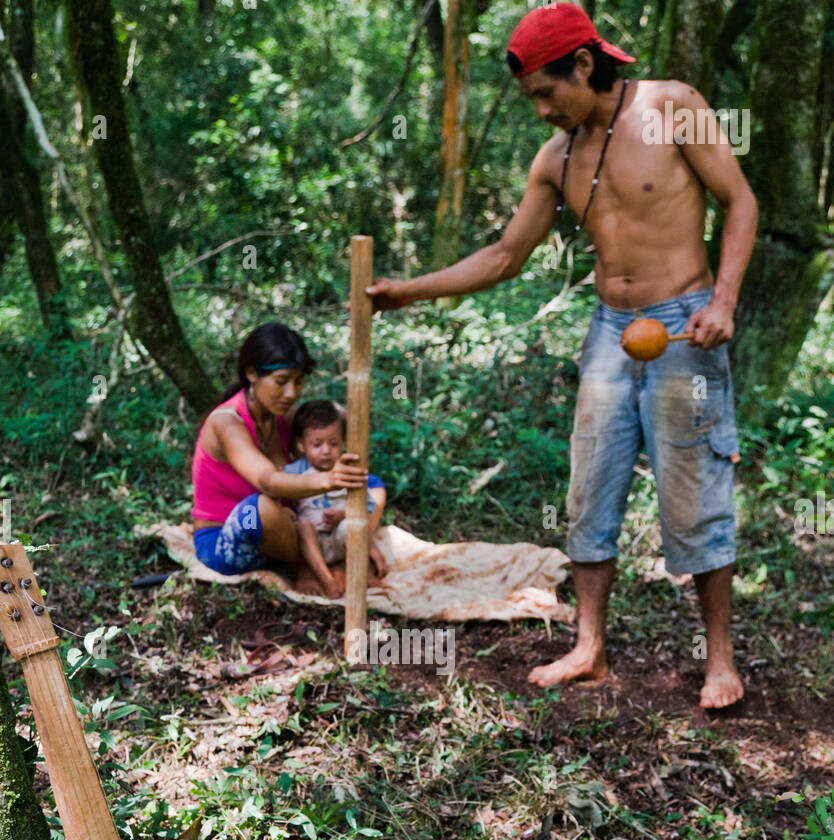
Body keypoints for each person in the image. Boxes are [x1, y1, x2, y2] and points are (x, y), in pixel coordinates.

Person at [366, 3, 758, 709]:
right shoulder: (556, 159)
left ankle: (720, 661)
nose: (542, 111)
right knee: (589, 490)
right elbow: (505, 254)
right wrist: (409, 291)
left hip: (682, 324)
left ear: (583, 63)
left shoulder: (676, 106)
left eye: (547, 93)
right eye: (532, 100)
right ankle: (589, 646)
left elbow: (740, 200)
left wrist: (723, 299)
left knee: (695, 492)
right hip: (611, 331)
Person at [191, 322, 368, 577]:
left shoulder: (282, 416)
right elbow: (269, 482)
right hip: (221, 543)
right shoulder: (226, 422)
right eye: (282, 381)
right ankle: (306, 569)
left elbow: (326, 432)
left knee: (368, 495)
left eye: (298, 382)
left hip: (284, 533)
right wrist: (328, 480)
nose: (291, 393)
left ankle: (319, 560)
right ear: (252, 374)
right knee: (260, 510)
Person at [284, 399, 387, 599]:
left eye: (333, 444)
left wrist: (344, 515)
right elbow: (278, 496)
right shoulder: (295, 471)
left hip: (340, 543)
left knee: (352, 525)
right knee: (303, 527)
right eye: (317, 444)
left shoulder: (349, 470)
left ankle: (364, 572)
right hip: (311, 548)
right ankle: (325, 580)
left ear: (344, 443)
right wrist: (284, 511)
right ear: (301, 444)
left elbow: (368, 507)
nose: (325, 451)